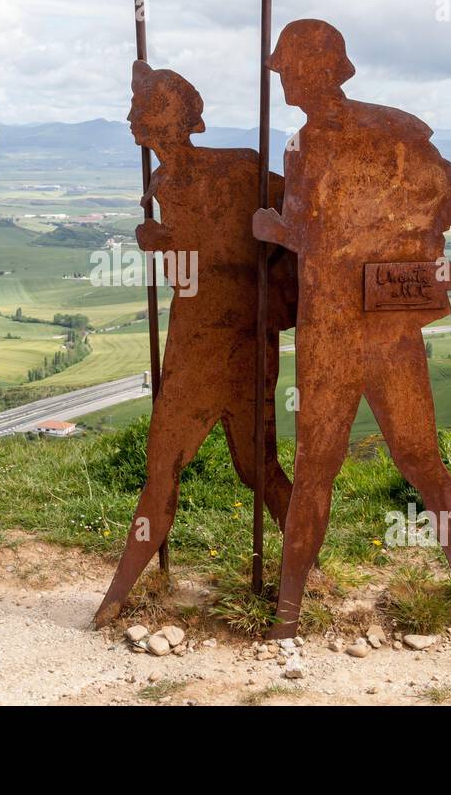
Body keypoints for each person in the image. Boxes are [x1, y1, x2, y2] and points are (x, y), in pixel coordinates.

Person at [251, 19, 451, 637]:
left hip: (334, 329)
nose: (283, 79)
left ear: (319, 70)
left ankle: (287, 616)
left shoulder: (306, 146)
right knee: (422, 462)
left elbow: (312, 240)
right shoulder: (395, 127)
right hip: (388, 327)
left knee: (317, 468)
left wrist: (270, 228)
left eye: (290, 69)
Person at [94, 61, 297, 628]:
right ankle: (116, 598)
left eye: (151, 106)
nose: (136, 115)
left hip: (245, 339)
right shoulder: (159, 186)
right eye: (138, 106)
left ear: (182, 119)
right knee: (163, 467)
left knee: (257, 470)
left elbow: (297, 218)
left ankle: (303, 570)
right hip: (190, 344)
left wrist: (267, 255)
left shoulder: (240, 170)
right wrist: (156, 240)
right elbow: (189, 265)